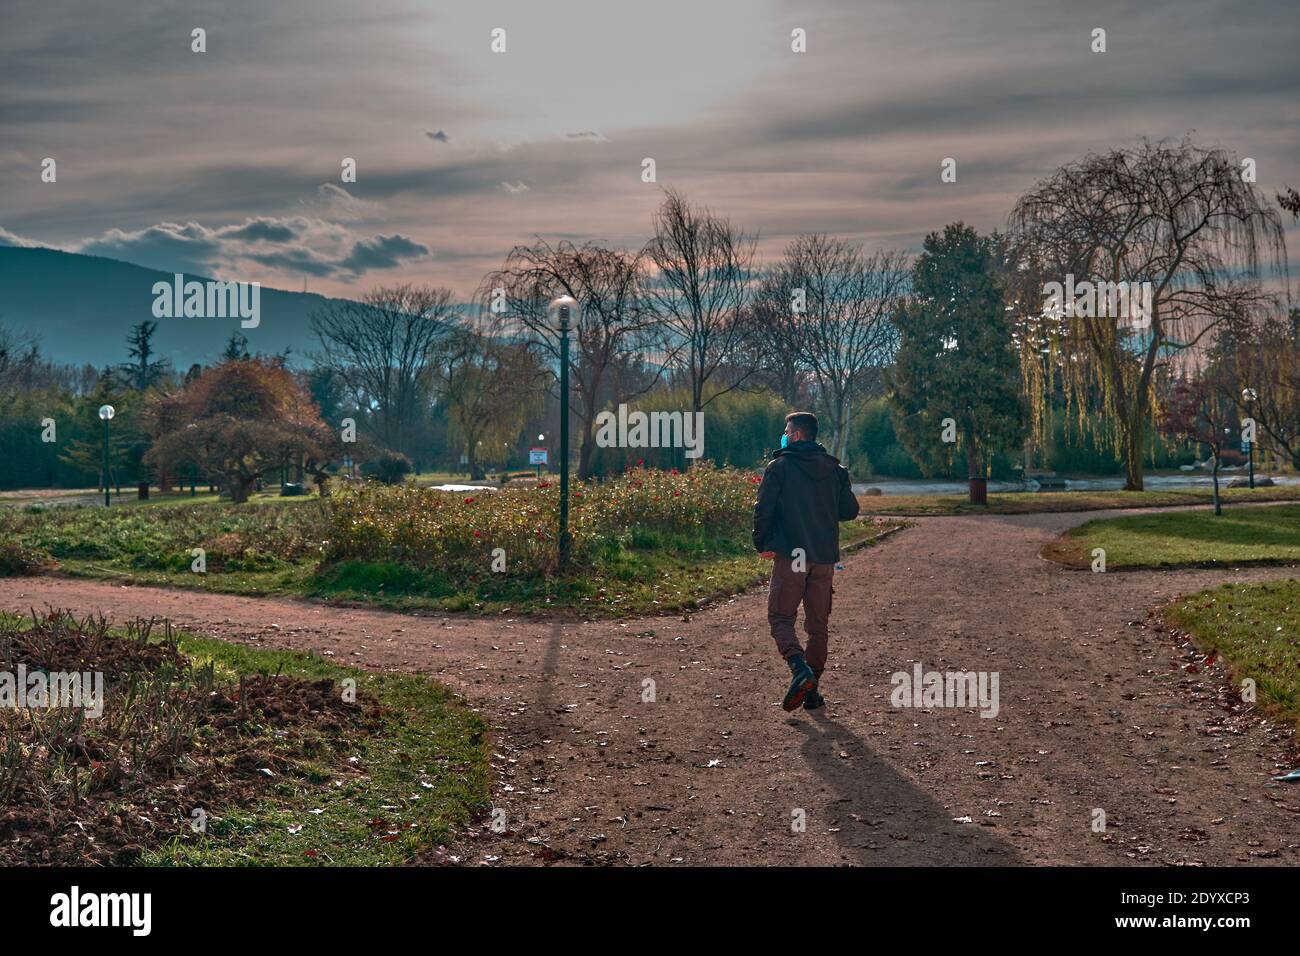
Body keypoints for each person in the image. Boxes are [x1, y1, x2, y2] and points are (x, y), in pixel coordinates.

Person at [752, 412, 860, 711]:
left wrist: (761, 543)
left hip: (792, 556)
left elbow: (764, 509)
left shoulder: (780, 467)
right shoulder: (835, 469)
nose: (784, 435)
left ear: (797, 434)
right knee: (818, 625)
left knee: (781, 617)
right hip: (823, 558)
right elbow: (849, 510)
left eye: (787, 430)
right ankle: (812, 691)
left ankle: (799, 668)